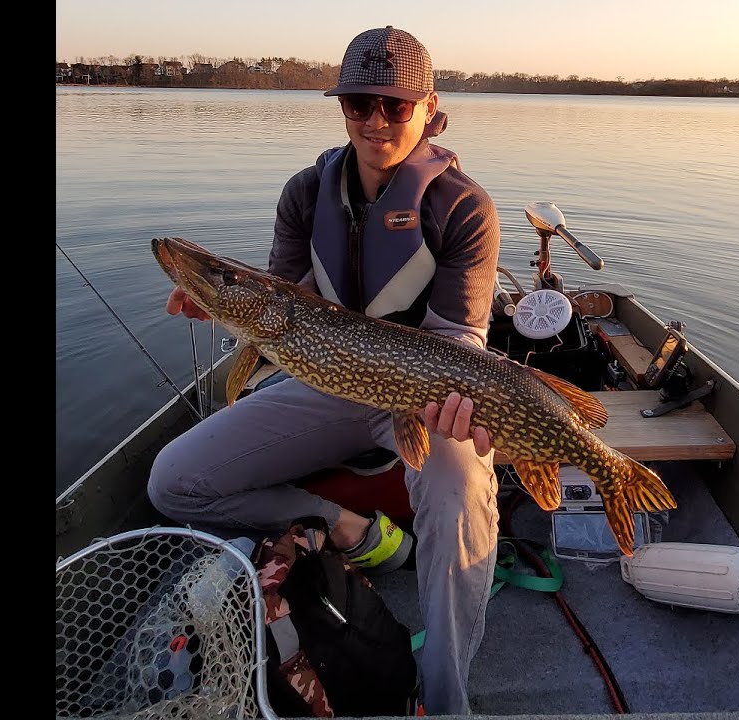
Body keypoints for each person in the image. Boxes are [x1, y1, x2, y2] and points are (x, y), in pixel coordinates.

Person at [147, 26, 502, 715]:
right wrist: (220, 308)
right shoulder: (306, 195)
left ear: (429, 107)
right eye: (357, 103)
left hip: (433, 399)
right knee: (173, 482)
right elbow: (277, 312)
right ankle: (344, 525)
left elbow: (459, 342)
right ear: (342, 107)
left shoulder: (464, 208)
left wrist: (459, 404)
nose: (375, 121)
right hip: (326, 383)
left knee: (462, 501)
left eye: (394, 106)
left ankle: (446, 702)